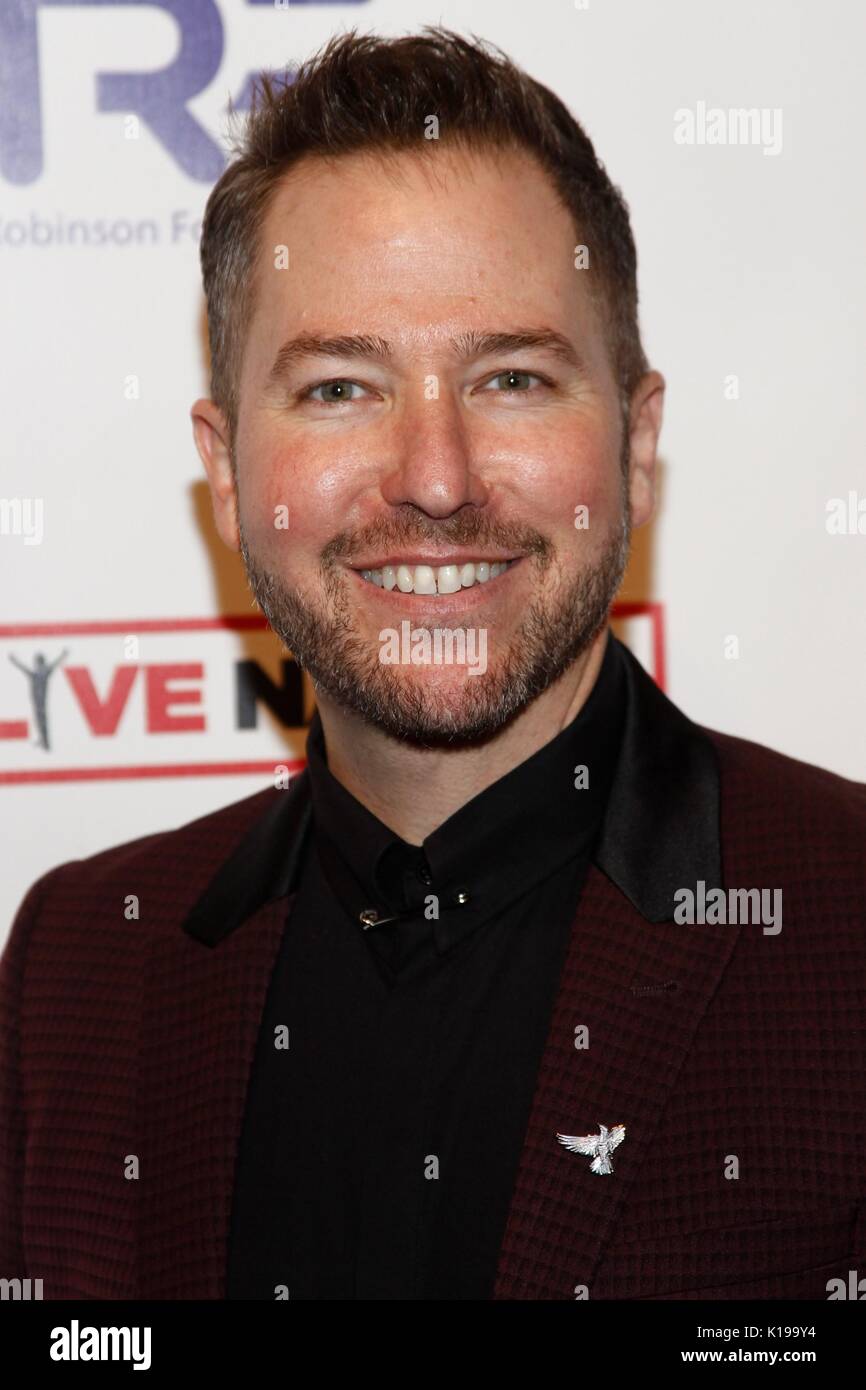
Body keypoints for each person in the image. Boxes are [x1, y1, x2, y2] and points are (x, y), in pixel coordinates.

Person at [1, 27, 864, 1302]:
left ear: (635, 443)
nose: (436, 478)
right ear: (229, 474)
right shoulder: (76, 966)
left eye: (511, 377)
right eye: (342, 387)